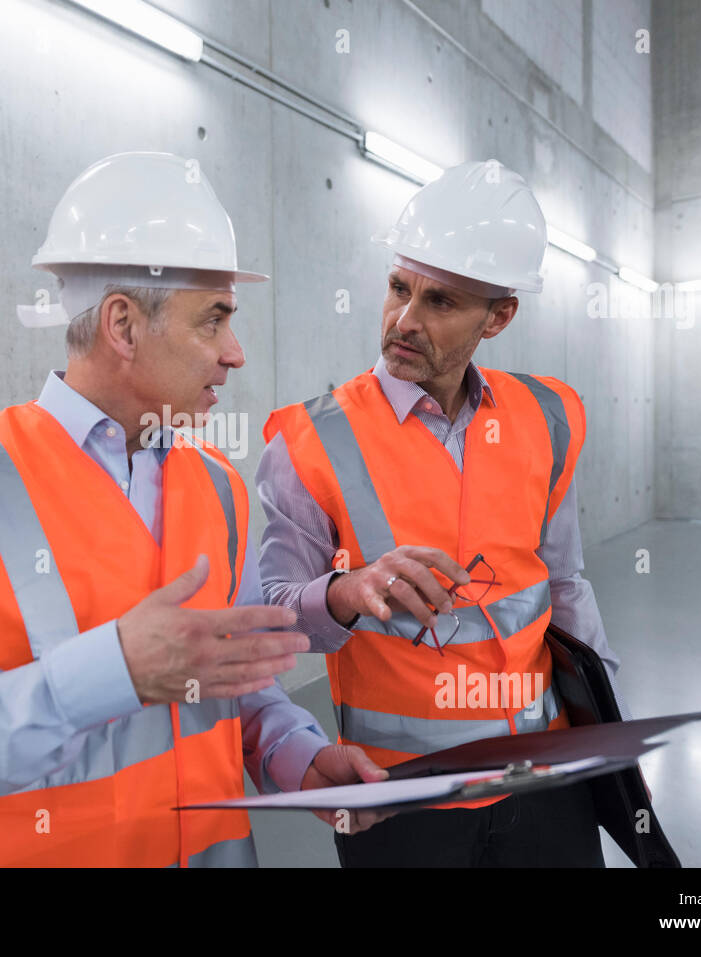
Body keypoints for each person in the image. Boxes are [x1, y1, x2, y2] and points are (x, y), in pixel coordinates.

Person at [0, 151, 385, 867]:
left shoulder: (217, 485)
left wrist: (300, 758)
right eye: (213, 320)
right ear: (123, 326)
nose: (236, 352)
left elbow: (239, 687)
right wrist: (111, 670)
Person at [256, 158, 632, 867]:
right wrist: (344, 592)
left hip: (544, 780)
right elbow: (272, 615)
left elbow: (563, 583)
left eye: (442, 302)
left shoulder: (545, 417)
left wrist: (608, 722)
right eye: (400, 287)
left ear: (500, 315)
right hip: (399, 802)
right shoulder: (309, 442)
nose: (404, 320)